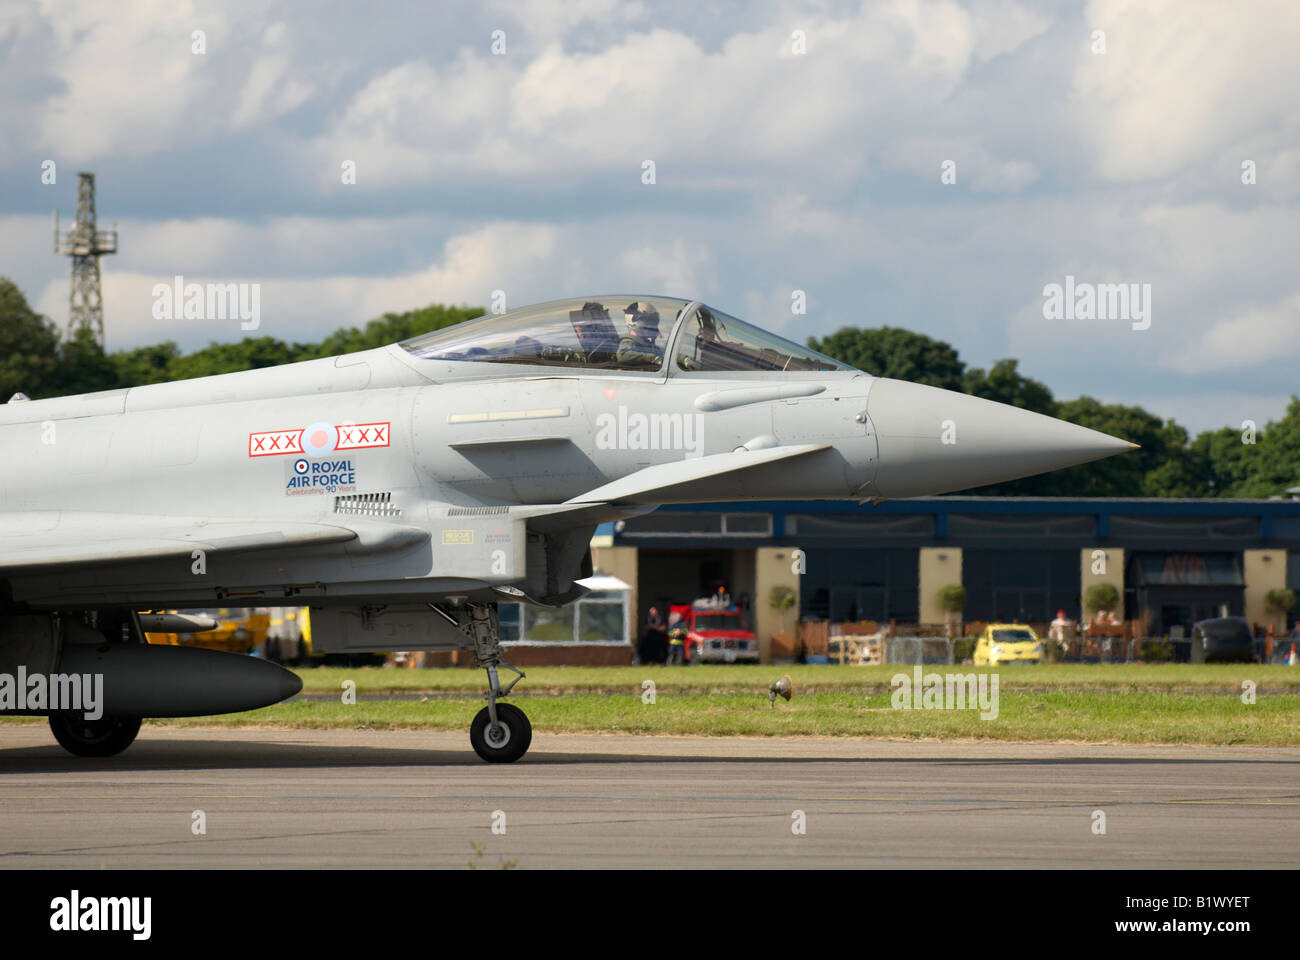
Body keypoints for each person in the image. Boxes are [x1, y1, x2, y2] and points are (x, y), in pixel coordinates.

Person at [615, 301, 662, 368]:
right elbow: (622, 355)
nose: (653, 327)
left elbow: (663, 354)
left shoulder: (647, 344)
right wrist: (651, 358)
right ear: (635, 321)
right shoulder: (628, 340)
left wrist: (681, 358)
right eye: (649, 322)